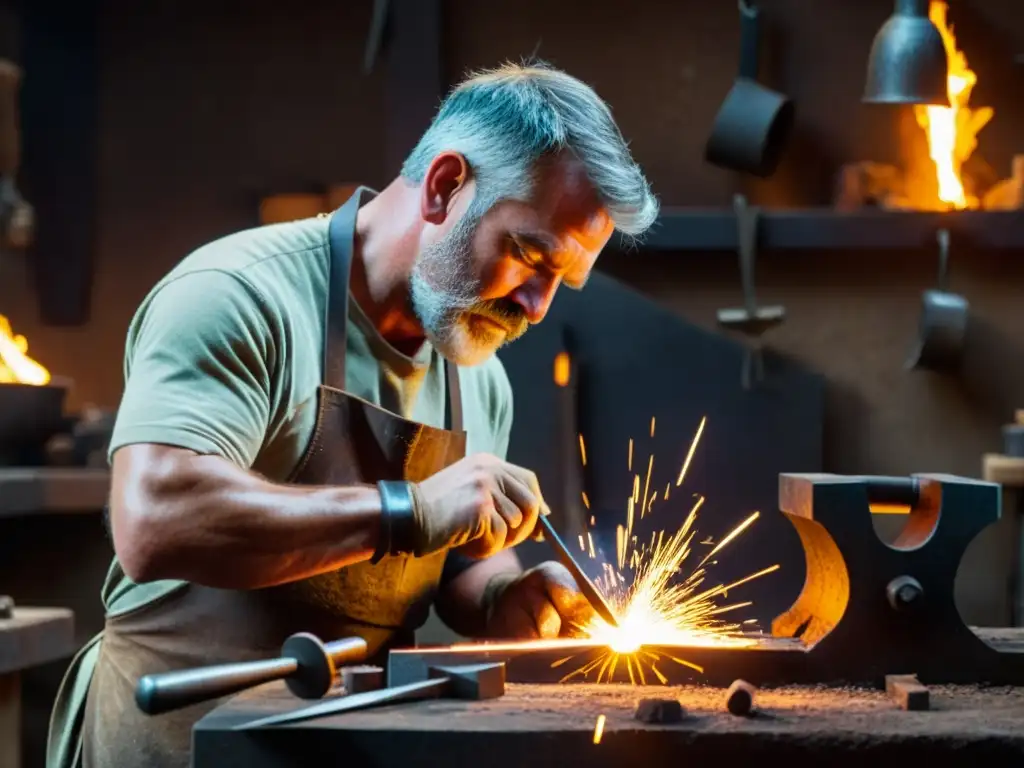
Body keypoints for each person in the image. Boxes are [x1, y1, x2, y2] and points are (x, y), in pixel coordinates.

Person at [47, 60, 658, 768]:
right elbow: (153, 521)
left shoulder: (477, 373)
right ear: (445, 186)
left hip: (347, 745)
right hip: (176, 742)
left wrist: (503, 596)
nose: (537, 306)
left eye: (562, 283)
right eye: (529, 257)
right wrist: (405, 511)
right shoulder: (243, 296)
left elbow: (461, 558)